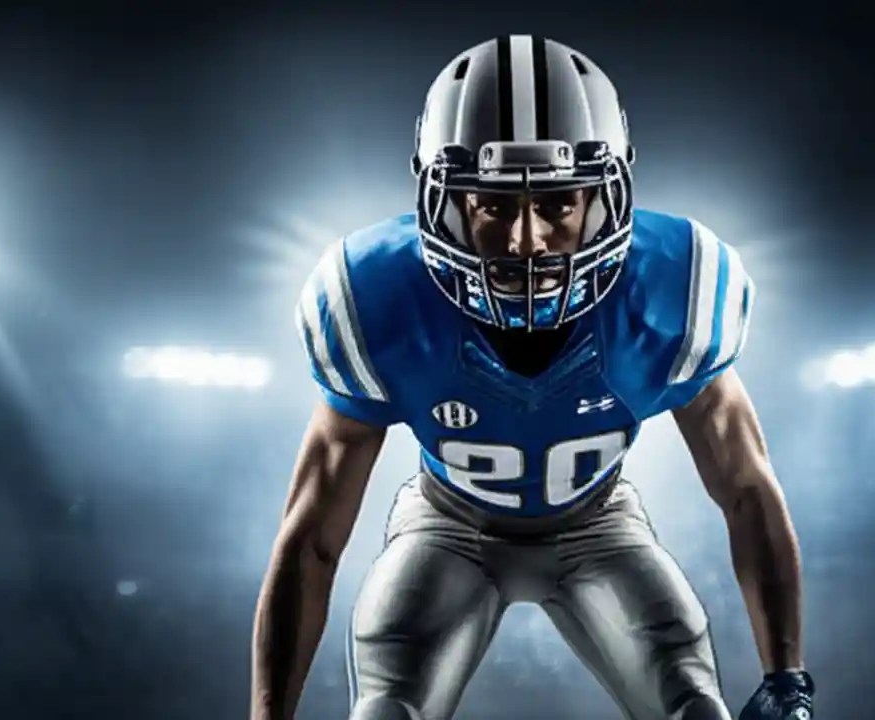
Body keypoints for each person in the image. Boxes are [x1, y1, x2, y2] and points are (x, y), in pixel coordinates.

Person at [251, 35, 813, 720]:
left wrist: (787, 678)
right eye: (492, 205)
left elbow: (748, 491)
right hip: (447, 524)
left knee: (696, 708)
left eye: (557, 203)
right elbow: (311, 537)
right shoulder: (375, 297)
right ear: (445, 204)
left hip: (598, 525)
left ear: (606, 198)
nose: (526, 241)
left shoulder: (674, 290)